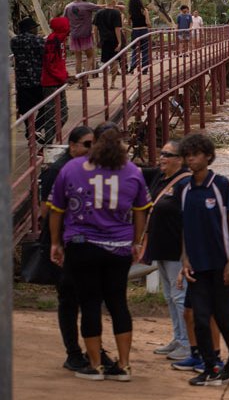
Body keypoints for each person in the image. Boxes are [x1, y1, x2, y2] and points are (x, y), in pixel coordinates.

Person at [48, 122, 151, 382]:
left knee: (90, 303)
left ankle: (95, 365)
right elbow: (142, 210)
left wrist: (55, 243)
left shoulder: (72, 168)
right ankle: (124, 366)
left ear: (95, 142)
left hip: (82, 245)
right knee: (118, 303)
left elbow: (56, 209)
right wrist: (137, 241)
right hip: (118, 247)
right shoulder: (132, 171)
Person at [37, 126, 113, 373]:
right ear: (73, 146)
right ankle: (73, 353)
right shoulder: (57, 171)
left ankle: (95, 351)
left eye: (95, 145)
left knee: (90, 299)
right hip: (64, 245)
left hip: (86, 243)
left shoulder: (89, 170)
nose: (92, 149)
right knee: (69, 299)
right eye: (87, 145)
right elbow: (46, 211)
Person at [178, 133, 229, 385]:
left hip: (220, 264)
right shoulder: (184, 190)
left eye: (195, 154)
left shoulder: (220, 184)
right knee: (200, 317)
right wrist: (185, 259)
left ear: (207, 156)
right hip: (197, 266)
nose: (190, 159)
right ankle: (211, 367)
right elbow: (185, 228)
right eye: (187, 155)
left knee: (223, 316)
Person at [141, 139, 195, 362]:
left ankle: (187, 343)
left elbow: (191, 220)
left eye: (167, 154)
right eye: (161, 153)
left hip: (176, 249)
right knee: (169, 296)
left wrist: (187, 256)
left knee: (179, 296)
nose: (162, 157)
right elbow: (130, 170)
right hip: (160, 246)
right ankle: (178, 337)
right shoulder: (158, 176)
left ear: (180, 160)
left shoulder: (185, 183)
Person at [37, 17, 72, 143]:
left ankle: (48, 140)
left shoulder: (61, 40)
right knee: (51, 114)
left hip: (59, 81)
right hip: (51, 83)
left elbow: (60, 62)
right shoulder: (53, 41)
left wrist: (66, 76)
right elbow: (50, 64)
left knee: (63, 114)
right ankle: (48, 143)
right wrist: (63, 77)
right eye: (67, 26)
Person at [13, 18, 45, 134]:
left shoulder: (14, 41)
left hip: (22, 80)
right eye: (35, 28)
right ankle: (35, 128)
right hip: (37, 79)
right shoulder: (38, 40)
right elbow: (44, 55)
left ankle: (30, 129)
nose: (37, 30)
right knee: (45, 106)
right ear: (31, 29)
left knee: (26, 109)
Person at [64, 0, 103, 75]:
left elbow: (65, 19)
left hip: (74, 35)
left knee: (78, 59)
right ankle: (84, 75)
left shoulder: (68, 7)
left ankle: (80, 80)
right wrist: (113, 5)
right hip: (86, 35)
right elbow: (101, 7)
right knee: (90, 56)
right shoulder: (87, 5)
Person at [93, 0, 125, 73]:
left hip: (104, 39)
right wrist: (120, 42)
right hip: (114, 40)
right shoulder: (116, 13)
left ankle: (105, 82)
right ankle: (112, 84)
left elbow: (95, 29)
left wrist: (96, 41)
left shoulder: (99, 13)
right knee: (114, 61)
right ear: (114, 1)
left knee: (105, 61)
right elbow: (117, 28)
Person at [128, 0, 151, 72]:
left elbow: (129, 23)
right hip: (144, 31)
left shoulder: (130, 12)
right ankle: (144, 68)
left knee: (135, 49)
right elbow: (148, 22)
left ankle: (133, 63)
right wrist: (149, 26)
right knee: (145, 50)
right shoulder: (144, 10)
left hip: (135, 31)